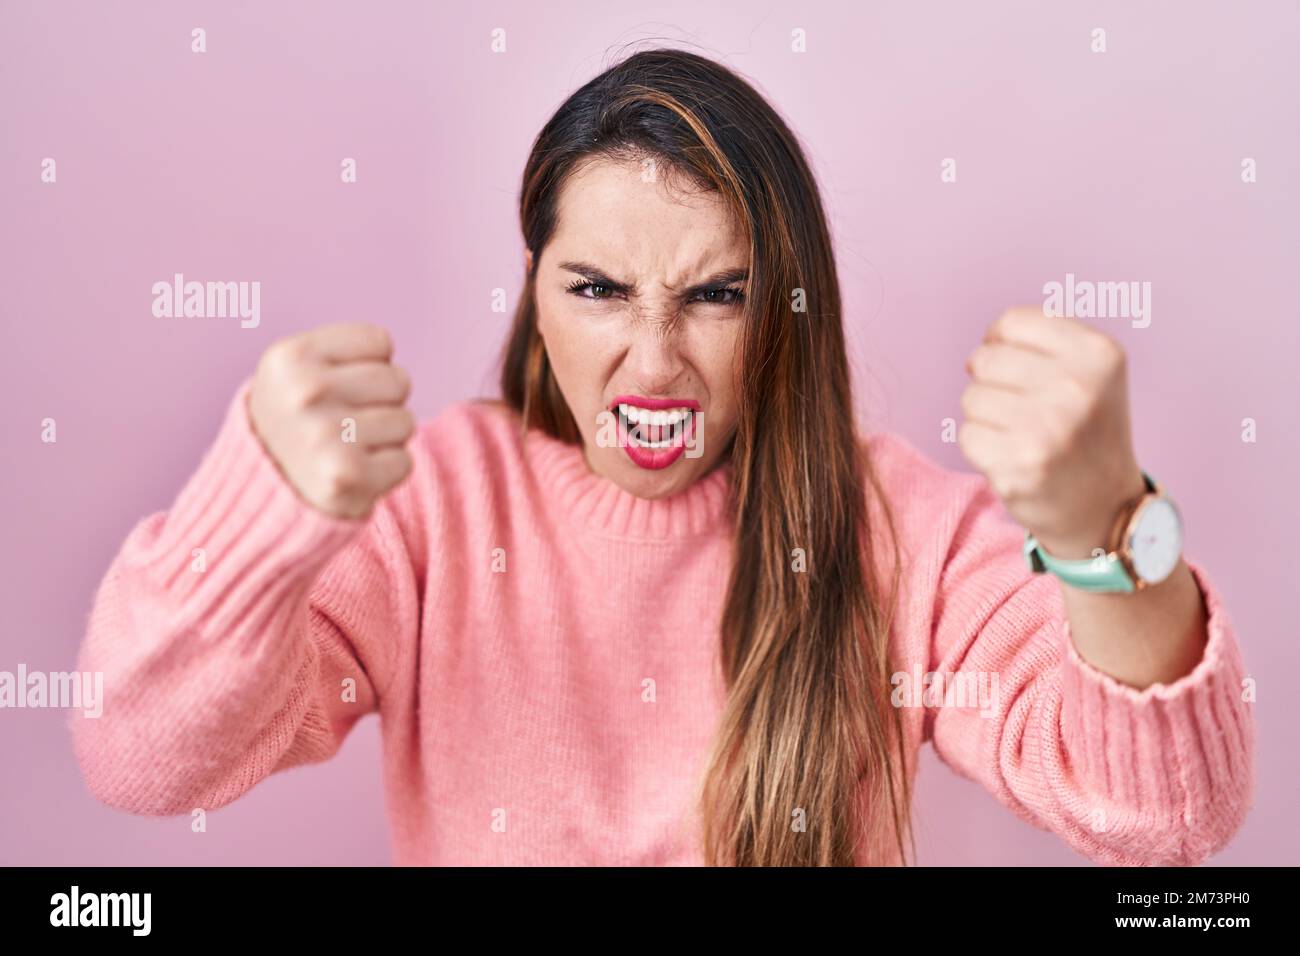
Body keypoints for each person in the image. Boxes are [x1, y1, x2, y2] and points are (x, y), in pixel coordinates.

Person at [70, 48, 1255, 866]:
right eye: (596, 288)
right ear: (535, 292)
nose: (653, 361)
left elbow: (1167, 818)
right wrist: (254, 516)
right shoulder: (435, 506)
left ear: (783, 305)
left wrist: (1107, 526)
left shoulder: (900, 529)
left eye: (715, 296)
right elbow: (138, 756)